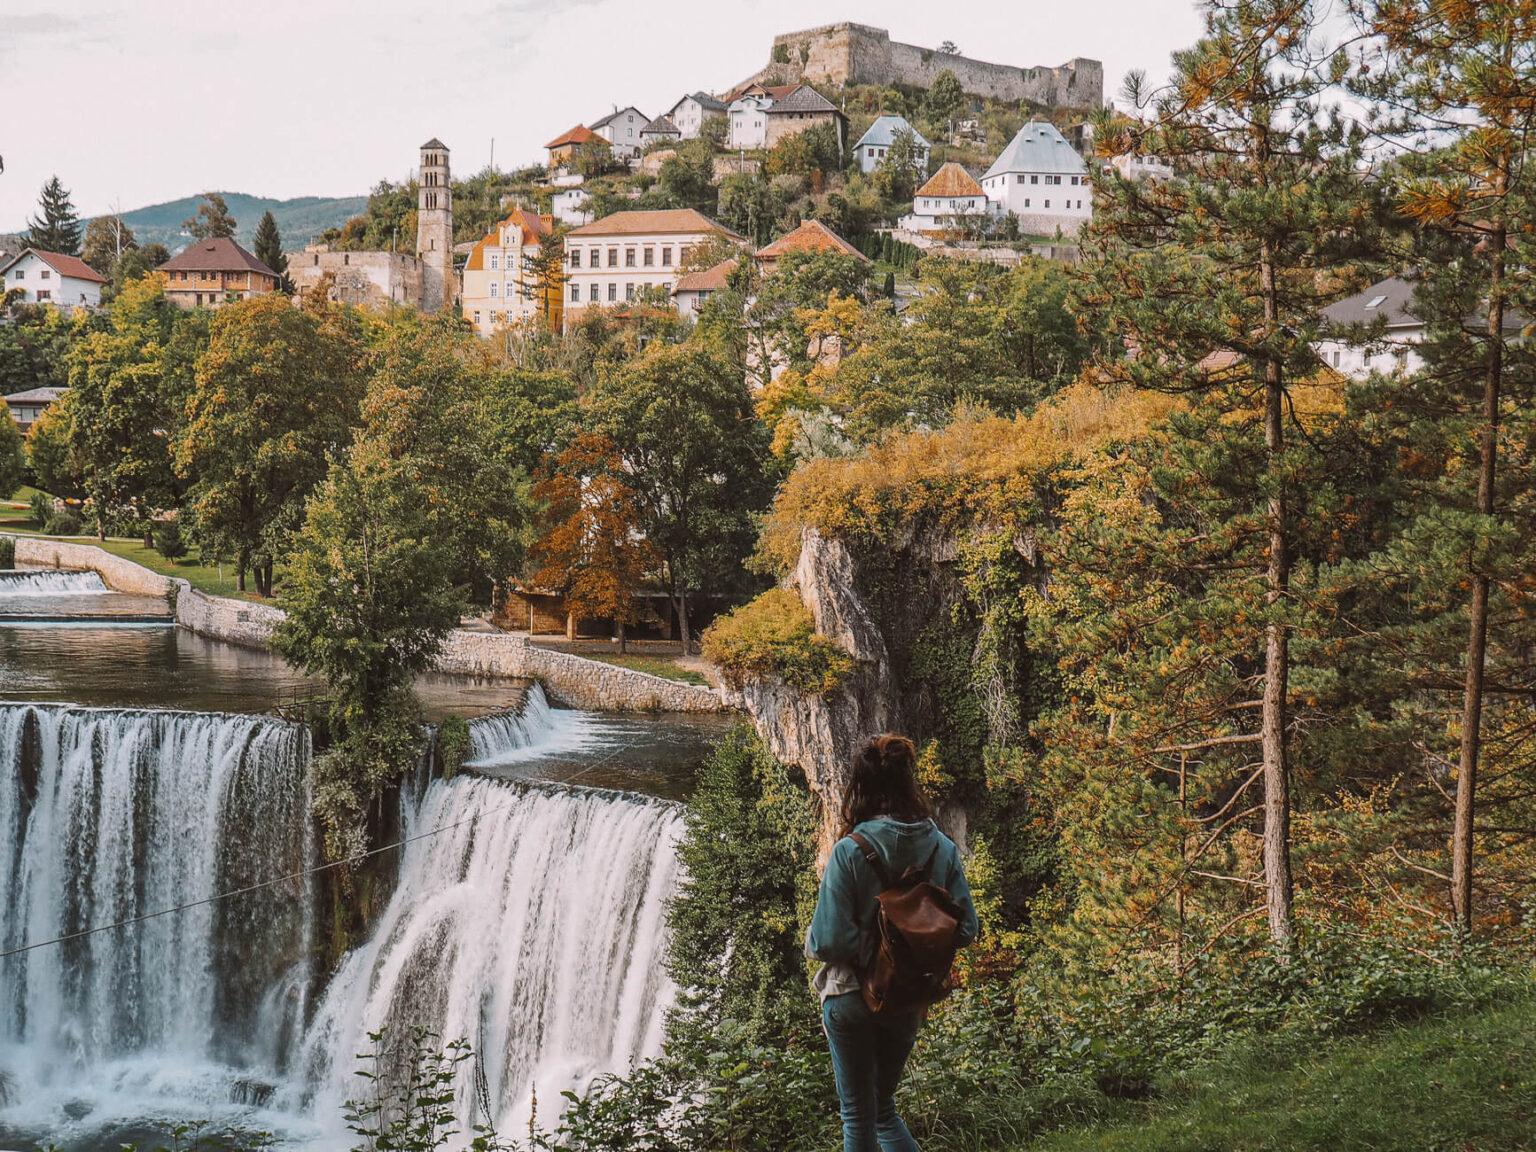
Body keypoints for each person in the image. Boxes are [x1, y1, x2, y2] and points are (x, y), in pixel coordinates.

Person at [806, 734, 979, 1152]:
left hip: (850, 996)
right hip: (905, 997)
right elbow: (967, 929)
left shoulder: (851, 851)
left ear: (860, 788)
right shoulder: (942, 849)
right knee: (883, 1110)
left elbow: (827, 941)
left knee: (857, 1119)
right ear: (908, 784)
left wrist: (864, 946)